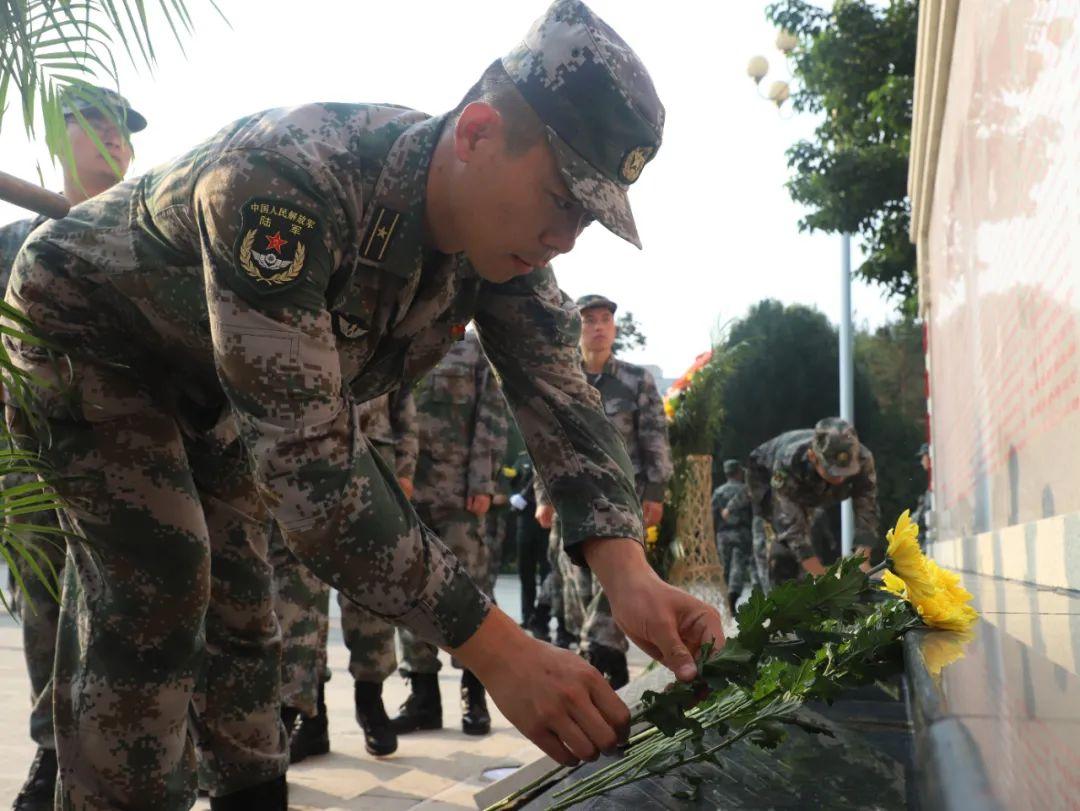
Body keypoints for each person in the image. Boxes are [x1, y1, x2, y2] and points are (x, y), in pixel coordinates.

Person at [2, 3, 725, 807]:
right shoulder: (288, 184)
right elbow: (314, 476)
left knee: (246, 606)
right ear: (479, 133)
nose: (569, 237)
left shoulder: (503, 244)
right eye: (563, 198)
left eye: (588, 215)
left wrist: (629, 574)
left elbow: (561, 396)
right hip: (87, 333)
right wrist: (502, 653)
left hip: (210, 378)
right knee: (161, 579)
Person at [0, 84, 145, 811]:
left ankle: (144, 762)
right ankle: (52, 751)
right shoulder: (9, 245)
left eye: (123, 129)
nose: (114, 138)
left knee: (138, 612)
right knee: (45, 607)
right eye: (93, 124)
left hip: (137, 464)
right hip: (34, 463)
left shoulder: (151, 238)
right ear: (56, 142)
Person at [271, 387, 418, 764]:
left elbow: (404, 399)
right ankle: (309, 715)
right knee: (298, 599)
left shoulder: (381, 327)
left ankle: (370, 702)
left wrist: (404, 470)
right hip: (300, 464)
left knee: (371, 590)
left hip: (370, 459)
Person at [536, 293, 673, 688]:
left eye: (604, 320)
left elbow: (655, 438)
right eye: (589, 320)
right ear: (575, 328)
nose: (597, 327)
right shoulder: (560, 377)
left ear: (613, 328)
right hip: (569, 497)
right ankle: (601, 655)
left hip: (620, 501)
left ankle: (600, 654)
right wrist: (543, 496)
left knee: (615, 582)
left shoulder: (636, 380)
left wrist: (657, 491)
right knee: (577, 585)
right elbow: (543, 438)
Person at [391, 329, 507, 738]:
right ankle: (422, 696)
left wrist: (482, 481)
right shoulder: (402, 334)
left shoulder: (474, 346)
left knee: (470, 593)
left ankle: (474, 695)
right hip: (404, 489)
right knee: (407, 591)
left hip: (459, 496)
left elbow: (492, 415)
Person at [743, 418, 880, 589]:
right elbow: (790, 528)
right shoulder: (788, 461)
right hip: (767, 486)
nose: (841, 477)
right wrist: (823, 579)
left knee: (812, 544)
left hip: (813, 492)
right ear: (813, 457)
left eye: (846, 471)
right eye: (834, 471)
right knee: (781, 555)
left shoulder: (862, 458)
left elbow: (867, 509)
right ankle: (777, 603)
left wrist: (863, 560)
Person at [508, 448, 553, 637]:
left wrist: (526, 497)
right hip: (524, 522)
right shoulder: (521, 459)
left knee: (546, 571)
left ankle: (542, 619)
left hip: (546, 521)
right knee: (525, 571)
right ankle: (527, 616)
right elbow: (510, 481)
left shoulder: (549, 455)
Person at [712, 459, 754, 610]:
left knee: (726, 567)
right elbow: (753, 513)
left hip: (723, 534)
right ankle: (733, 595)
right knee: (738, 566)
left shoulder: (718, 492)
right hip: (742, 533)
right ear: (738, 472)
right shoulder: (745, 490)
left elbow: (714, 515)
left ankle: (727, 597)